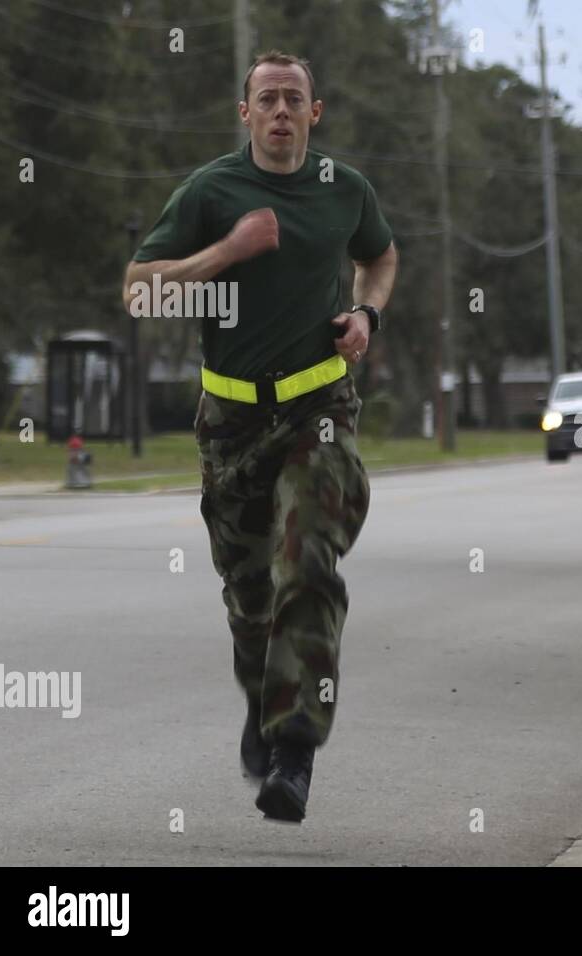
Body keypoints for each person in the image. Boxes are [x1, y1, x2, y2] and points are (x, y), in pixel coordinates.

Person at [124, 51, 398, 823]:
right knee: (250, 597)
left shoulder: (345, 190)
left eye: (294, 99)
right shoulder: (212, 192)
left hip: (319, 408)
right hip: (229, 420)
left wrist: (366, 315)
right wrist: (228, 251)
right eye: (266, 99)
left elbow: (380, 255)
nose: (280, 111)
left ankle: (296, 746)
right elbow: (138, 291)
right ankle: (262, 696)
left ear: (316, 113)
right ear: (244, 114)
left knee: (308, 559)